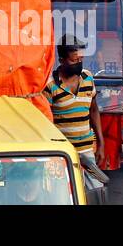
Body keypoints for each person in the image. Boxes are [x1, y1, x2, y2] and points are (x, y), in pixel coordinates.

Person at [43, 39, 108, 179]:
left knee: (95, 189)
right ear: (61, 60)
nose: (79, 63)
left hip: (87, 151)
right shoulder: (50, 85)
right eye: (74, 60)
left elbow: (94, 110)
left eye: (81, 59)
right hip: (62, 153)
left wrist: (101, 144)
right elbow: (46, 121)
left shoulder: (88, 78)